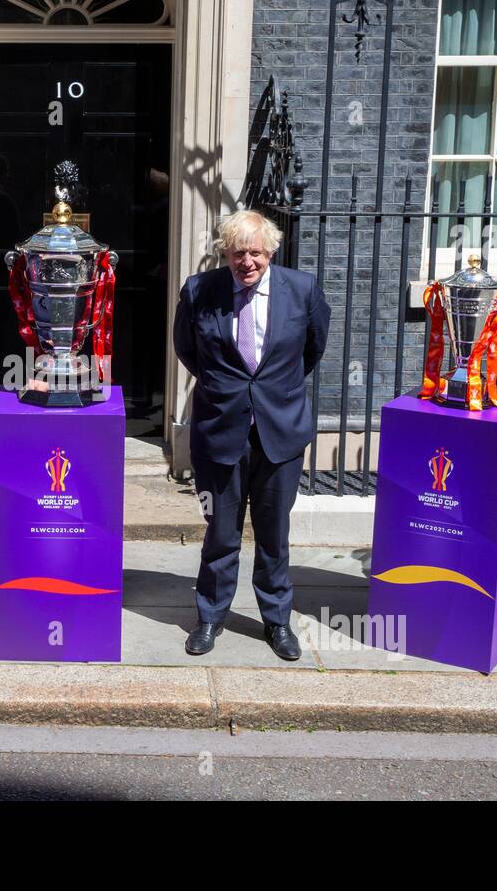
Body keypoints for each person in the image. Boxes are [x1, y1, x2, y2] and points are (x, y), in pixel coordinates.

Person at [172, 210, 331, 659]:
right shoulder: (200, 290)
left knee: (273, 534)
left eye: (255, 252)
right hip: (220, 430)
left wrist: (272, 392)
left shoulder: (302, 290)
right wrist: (227, 389)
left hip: (278, 432)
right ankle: (210, 618)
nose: (247, 262)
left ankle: (277, 622)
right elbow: (187, 347)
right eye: (238, 252)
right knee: (220, 532)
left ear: (271, 251)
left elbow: (312, 348)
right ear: (225, 252)